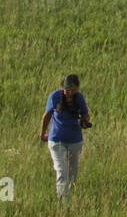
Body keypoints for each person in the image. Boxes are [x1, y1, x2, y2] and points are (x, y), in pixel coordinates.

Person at [39, 74, 91, 202]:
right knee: (62, 170)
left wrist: (84, 122)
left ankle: (70, 196)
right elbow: (46, 116)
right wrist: (42, 133)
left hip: (74, 140)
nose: (69, 93)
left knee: (72, 172)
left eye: (73, 91)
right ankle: (63, 202)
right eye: (67, 90)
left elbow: (86, 114)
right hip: (57, 140)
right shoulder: (55, 97)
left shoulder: (79, 98)